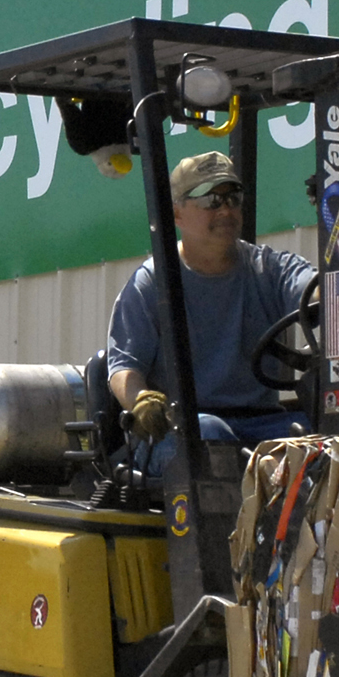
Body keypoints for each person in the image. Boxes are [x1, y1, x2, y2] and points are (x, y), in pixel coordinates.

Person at [106, 151, 316, 466]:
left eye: (233, 198)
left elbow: (319, 293)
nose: (226, 210)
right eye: (210, 201)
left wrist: (335, 289)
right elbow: (123, 368)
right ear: (176, 213)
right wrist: (142, 401)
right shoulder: (152, 283)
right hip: (184, 427)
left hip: (263, 424)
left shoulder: (270, 269)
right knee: (210, 437)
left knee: (326, 440)